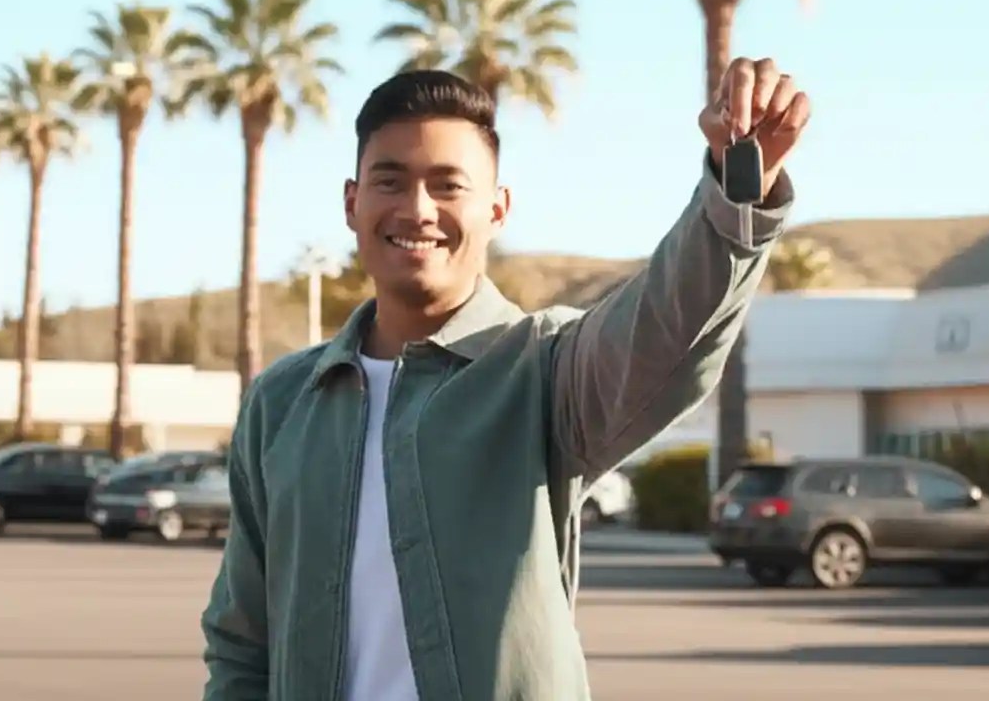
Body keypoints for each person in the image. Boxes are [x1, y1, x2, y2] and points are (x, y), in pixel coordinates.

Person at [201, 56, 810, 700]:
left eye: (447, 185)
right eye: (390, 180)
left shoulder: (544, 366)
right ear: (353, 203)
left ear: (497, 210)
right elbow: (244, 641)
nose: (417, 209)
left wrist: (738, 184)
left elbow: (666, 326)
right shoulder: (283, 402)